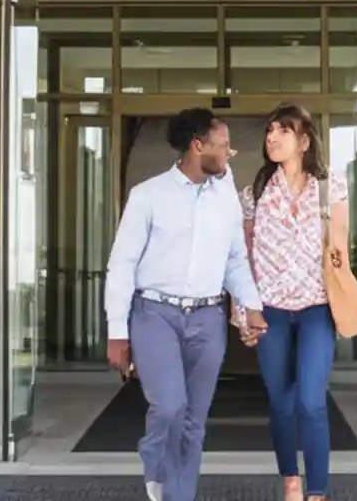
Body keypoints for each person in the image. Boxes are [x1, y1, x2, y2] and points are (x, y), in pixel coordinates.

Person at [103, 108, 268, 501]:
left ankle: (179, 496)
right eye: (224, 145)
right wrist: (116, 333)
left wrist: (252, 304)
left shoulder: (225, 197)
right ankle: (156, 463)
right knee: (170, 407)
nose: (230, 152)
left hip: (208, 318)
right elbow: (121, 265)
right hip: (155, 315)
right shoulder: (148, 196)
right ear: (198, 146)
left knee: (194, 421)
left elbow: (234, 259)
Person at [238, 104, 347, 501]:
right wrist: (243, 313)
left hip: (317, 308)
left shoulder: (330, 186)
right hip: (270, 310)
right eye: (269, 131)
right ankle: (291, 481)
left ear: (303, 141)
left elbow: (340, 252)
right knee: (281, 402)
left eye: (283, 130)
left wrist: (343, 304)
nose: (273, 137)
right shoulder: (253, 195)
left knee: (311, 401)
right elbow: (242, 259)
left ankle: (316, 492)